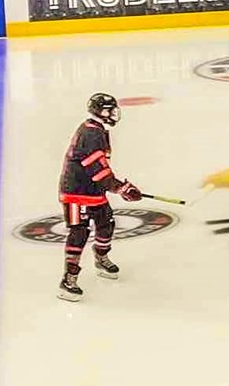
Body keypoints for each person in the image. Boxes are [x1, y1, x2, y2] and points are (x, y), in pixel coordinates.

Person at [57, 94, 144, 302]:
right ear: (100, 111)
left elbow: (100, 170)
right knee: (79, 232)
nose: (113, 113)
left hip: (93, 190)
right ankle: (68, 280)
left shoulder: (97, 130)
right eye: (109, 109)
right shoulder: (90, 133)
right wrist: (121, 188)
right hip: (76, 192)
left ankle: (101, 257)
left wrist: (118, 187)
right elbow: (98, 170)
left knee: (106, 223)